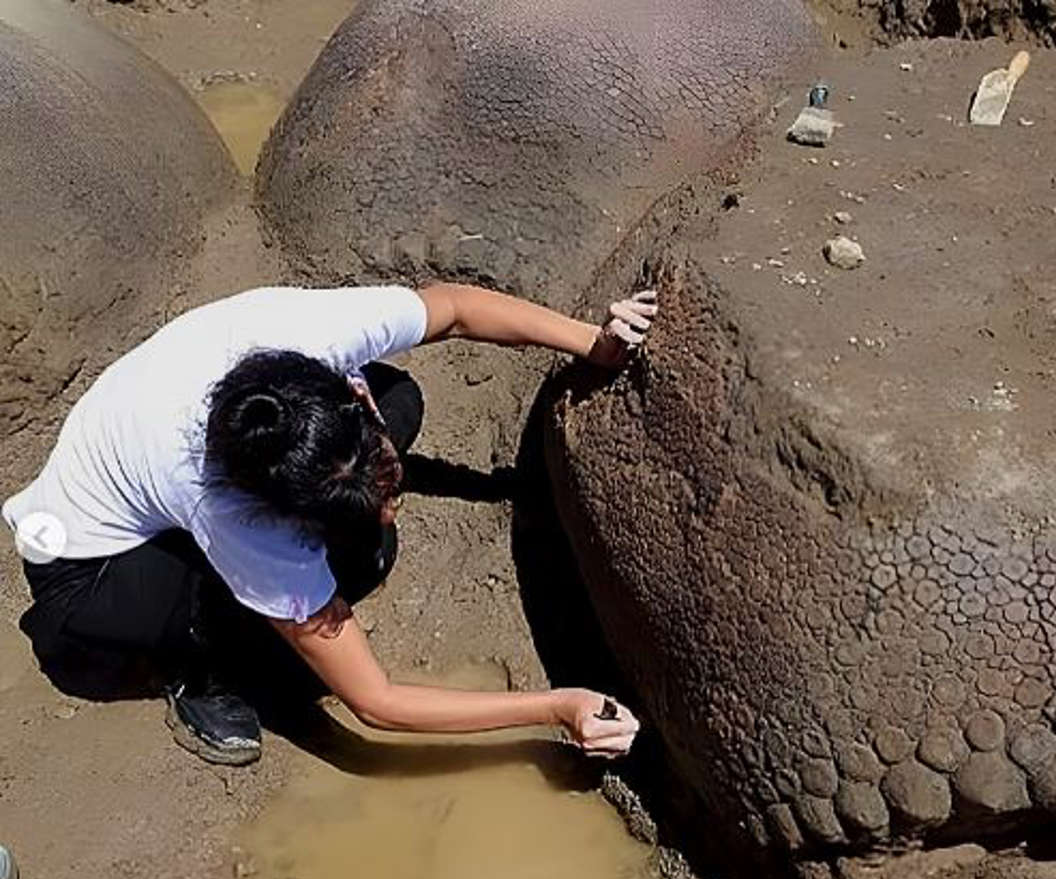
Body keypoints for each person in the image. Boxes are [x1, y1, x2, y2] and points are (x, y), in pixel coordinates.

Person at [3, 282, 656, 765]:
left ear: (352, 395)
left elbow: (455, 308)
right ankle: (198, 675)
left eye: (387, 483)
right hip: (85, 570)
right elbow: (375, 701)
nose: (392, 507)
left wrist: (593, 342)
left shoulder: (314, 332)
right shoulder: (232, 515)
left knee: (404, 398)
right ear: (281, 514)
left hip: (171, 446)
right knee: (352, 568)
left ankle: (310, 544)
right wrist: (556, 706)